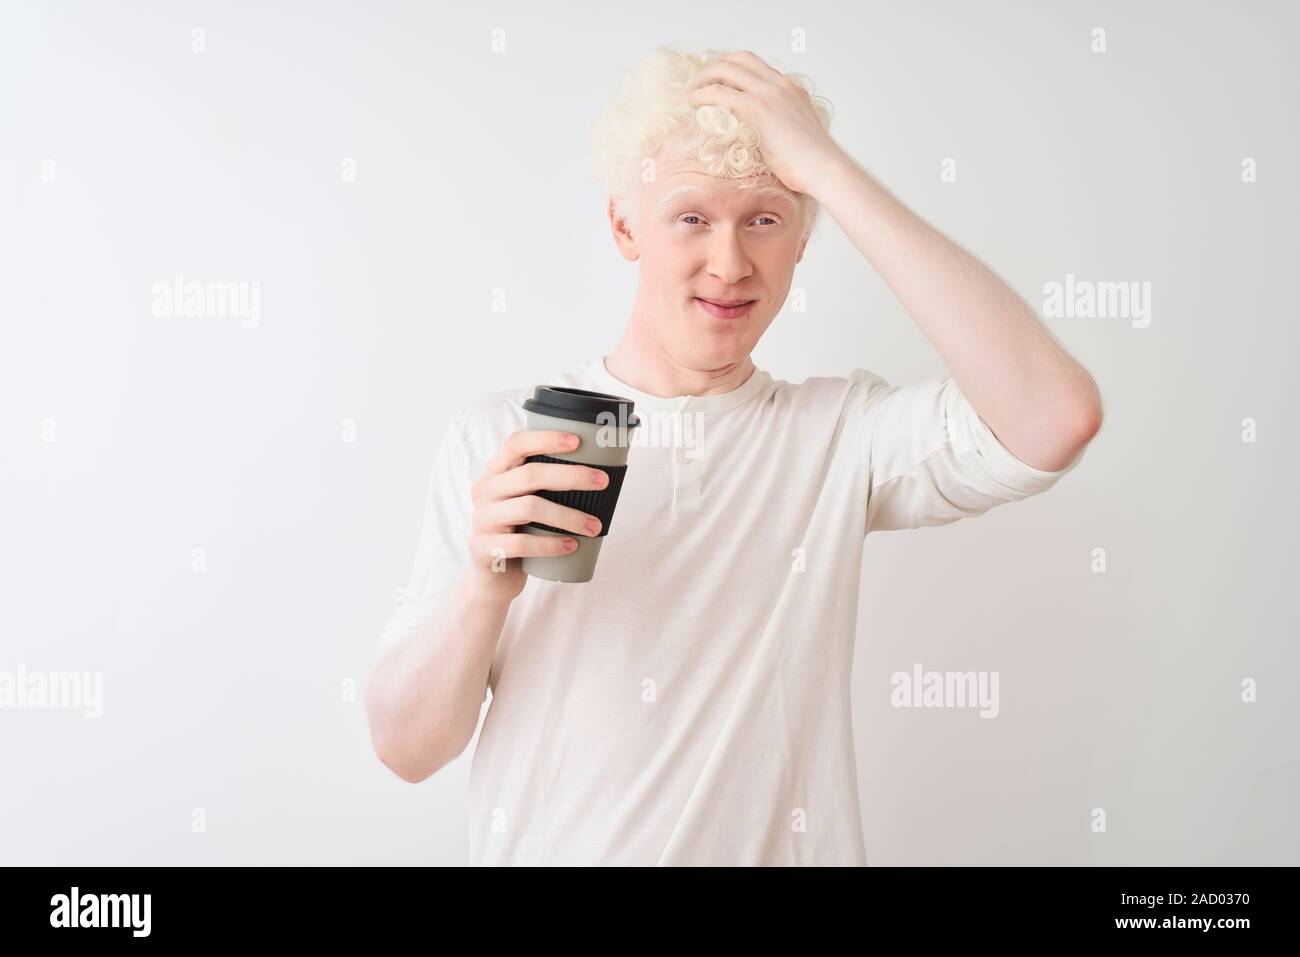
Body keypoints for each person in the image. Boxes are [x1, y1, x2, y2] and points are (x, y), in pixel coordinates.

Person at [364, 47, 1103, 866]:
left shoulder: (838, 434)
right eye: (691, 217)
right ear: (623, 224)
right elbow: (407, 749)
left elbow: (1056, 415)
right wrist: (481, 590)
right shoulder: (502, 439)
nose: (730, 263)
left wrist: (825, 171)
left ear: (802, 239)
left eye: (765, 218)